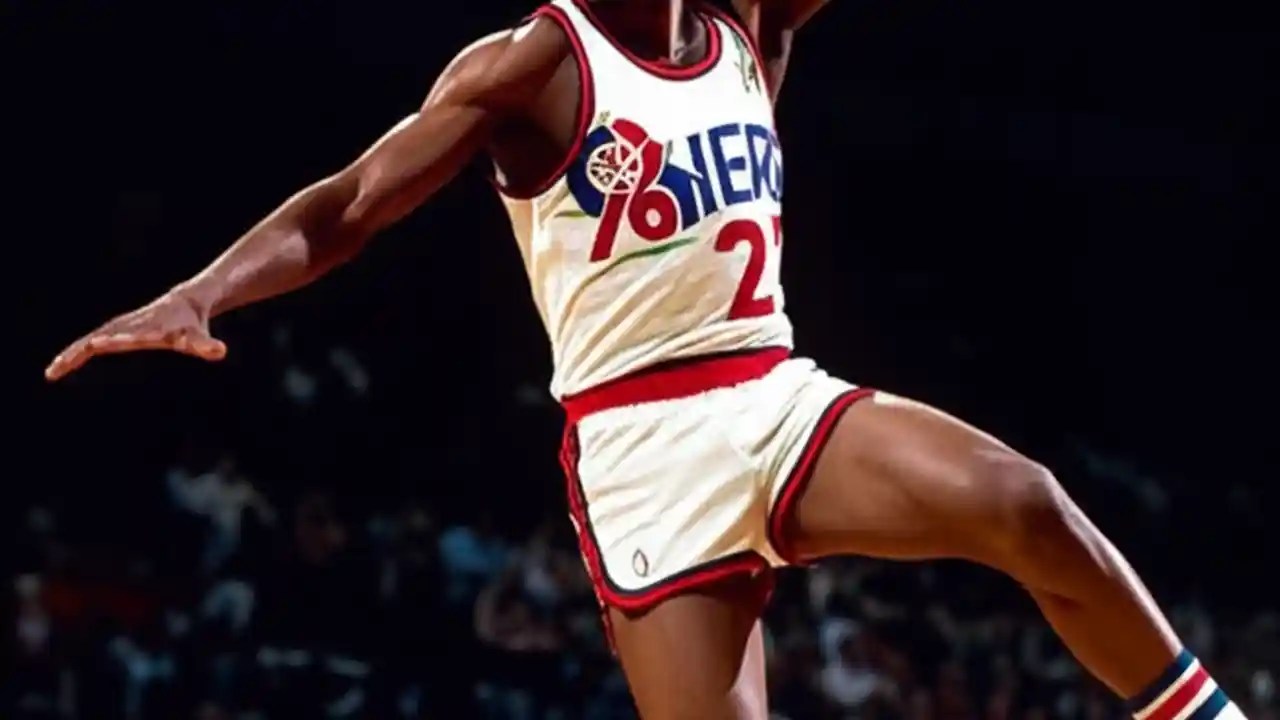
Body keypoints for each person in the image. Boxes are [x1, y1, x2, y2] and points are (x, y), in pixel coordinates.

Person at [44, 1, 1245, 718]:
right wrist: (199, 292)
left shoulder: (748, 27)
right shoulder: (532, 63)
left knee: (1021, 502)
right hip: (638, 449)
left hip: (771, 392)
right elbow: (348, 205)